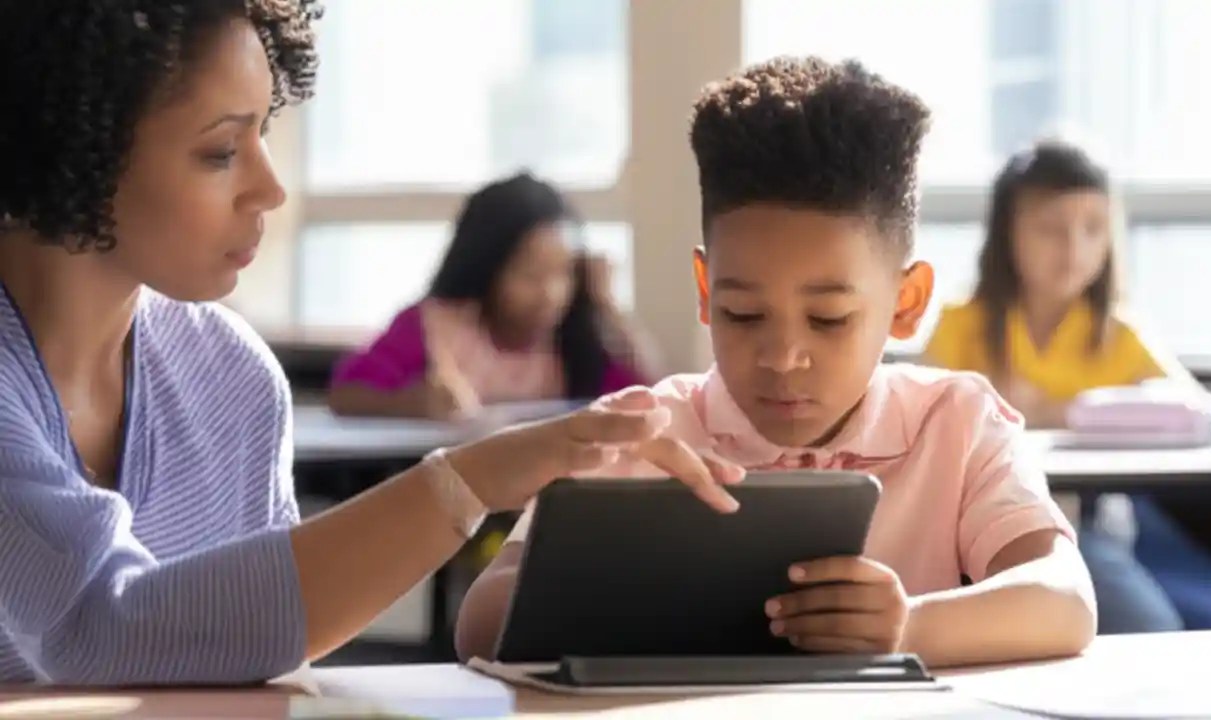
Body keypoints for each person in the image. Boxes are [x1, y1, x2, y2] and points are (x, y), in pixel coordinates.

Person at [0, 1, 740, 686]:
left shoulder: (232, 377)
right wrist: (471, 478)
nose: (270, 187)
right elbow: (102, 631)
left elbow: (258, 650)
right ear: (77, 143)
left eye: (264, 133)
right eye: (222, 150)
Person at [455, 56, 1097, 667]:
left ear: (906, 302)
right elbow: (479, 622)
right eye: (743, 315)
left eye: (828, 320)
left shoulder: (958, 424)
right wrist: (646, 596)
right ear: (707, 291)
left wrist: (911, 627)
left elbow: (1066, 600)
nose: (783, 358)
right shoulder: (645, 434)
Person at [923, 140, 1186, 634]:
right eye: (1049, 229)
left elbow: (1194, 409)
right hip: (967, 523)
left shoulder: (1118, 331)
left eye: (1093, 229)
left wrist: (1065, 411)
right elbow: (919, 423)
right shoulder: (964, 323)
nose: (1074, 249)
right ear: (1007, 234)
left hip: (1083, 525)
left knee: (1146, 625)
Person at [328, 173, 659, 420]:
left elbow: (648, 394)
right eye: (530, 275)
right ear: (487, 267)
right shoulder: (435, 327)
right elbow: (346, 393)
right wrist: (414, 403)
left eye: (565, 273)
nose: (550, 294)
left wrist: (608, 307)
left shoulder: (574, 340)